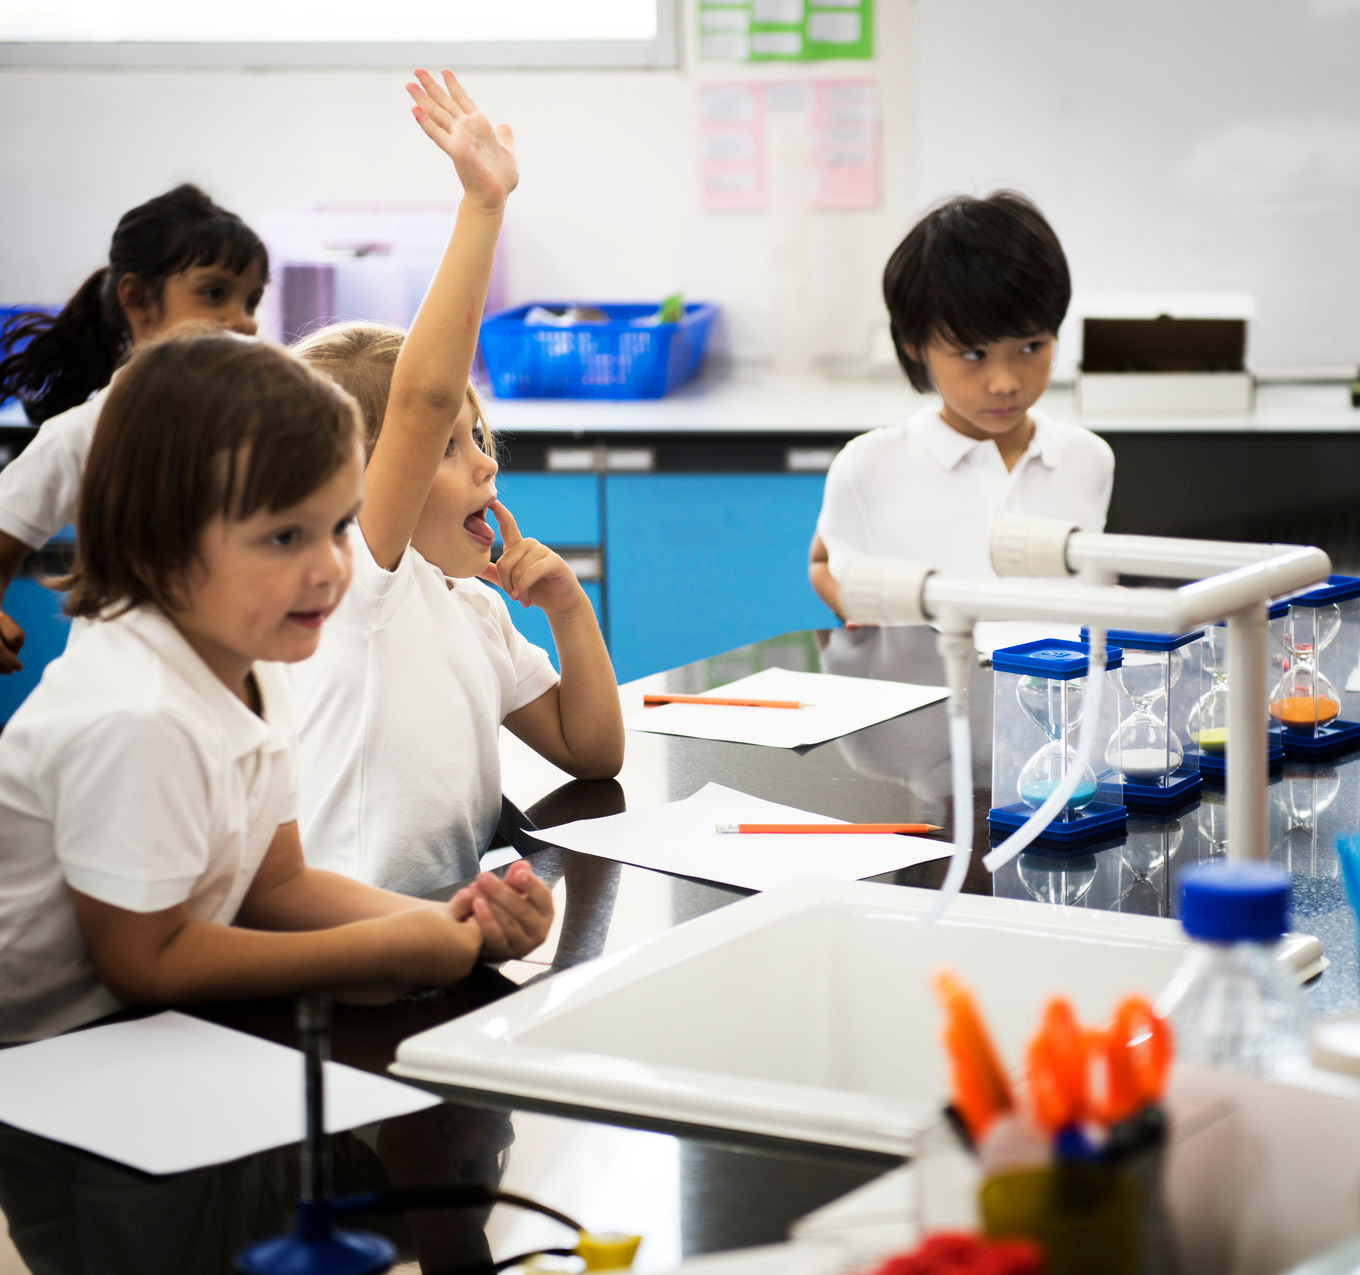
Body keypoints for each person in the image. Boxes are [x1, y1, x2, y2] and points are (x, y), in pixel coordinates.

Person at [0, 328, 553, 1045]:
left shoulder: (253, 669)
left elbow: (278, 885)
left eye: (338, 526)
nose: (332, 568)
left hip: (144, 1040)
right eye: (286, 537)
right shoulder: (139, 711)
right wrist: (383, 948)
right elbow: (145, 962)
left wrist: (451, 924)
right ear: (163, 541)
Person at [291, 70, 624, 898]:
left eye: (477, 438)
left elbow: (592, 753)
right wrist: (483, 206)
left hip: (447, 928)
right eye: (445, 449)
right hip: (349, 942)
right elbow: (424, 395)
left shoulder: (473, 610)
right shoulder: (358, 589)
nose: (486, 462)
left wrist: (569, 610)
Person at [0, 183, 269, 674]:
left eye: (251, 301)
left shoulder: (260, 426)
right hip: (116, 685)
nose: (242, 321)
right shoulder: (87, 432)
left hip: (227, 683)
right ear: (138, 300)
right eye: (214, 294)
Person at [809, 191, 1114, 619]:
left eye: (1030, 346)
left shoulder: (1087, 459)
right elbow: (823, 561)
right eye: (973, 354)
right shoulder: (869, 464)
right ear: (915, 345)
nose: (1005, 383)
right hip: (931, 666)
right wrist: (858, 613)